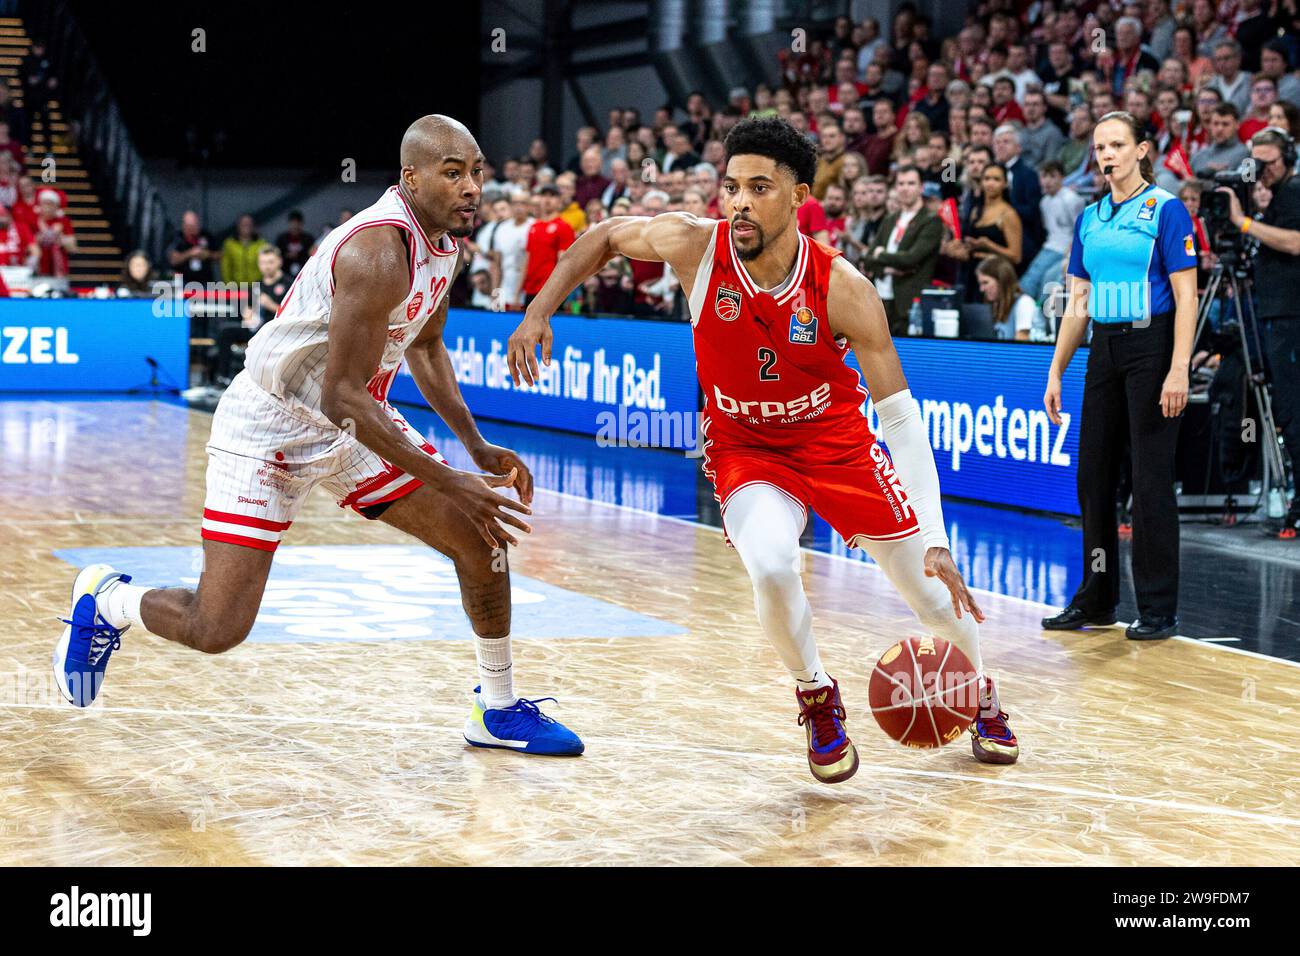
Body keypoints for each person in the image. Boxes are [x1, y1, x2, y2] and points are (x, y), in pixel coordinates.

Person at [52, 115, 582, 757]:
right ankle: (107, 599)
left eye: (476, 171)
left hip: (356, 422)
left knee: (480, 541)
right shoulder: (377, 250)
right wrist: (452, 480)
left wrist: (475, 446)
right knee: (216, 628)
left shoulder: (443, 245)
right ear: (410, 178)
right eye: (453, 173)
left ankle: (496, 709)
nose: (472, 186)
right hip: (273, 426)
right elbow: (342, 395)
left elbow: (430, 346)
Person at [507, 117, 1019, 782]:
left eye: (759, 188)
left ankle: (976, 690)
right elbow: (604, 237)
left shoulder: (843, 287)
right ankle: (816, 693)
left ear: (800, 196)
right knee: (774, 567)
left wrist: (936, 534)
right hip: (747, 448)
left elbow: (898, 414)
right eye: (730, 187)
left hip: (837, 446)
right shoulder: (695, 247)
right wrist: (539, 309)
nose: (739, 202)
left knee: (933, 594)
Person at [1042, 111, 1199, 641]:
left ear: (1142, 150)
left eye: (1117, 145)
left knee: (1151, 480)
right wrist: (1057, 368)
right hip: (1104, 347)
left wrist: (1179, 367)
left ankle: (1157, 608)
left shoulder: (1166, 210)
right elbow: (1077, 301)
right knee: (1094, 479)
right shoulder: (1090, 217)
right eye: (1100, 146)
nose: (1106, 154)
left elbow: (1186, 296)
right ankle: (1098, 598)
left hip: (1152, 345)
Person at [1216, 128, 1300, 537]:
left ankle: (1296, 502)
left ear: (1287, 158)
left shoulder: (1295, 190)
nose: (1260, 171)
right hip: (1272, 314)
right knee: (1286, 410)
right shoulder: (1276, 195)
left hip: (1290, 317)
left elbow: (1297, 242)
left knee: (1293, 411)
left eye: (1268, 163)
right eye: (1256, 162)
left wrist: (1244, 222)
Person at [857, 164, 943, 335]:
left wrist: (880, 254)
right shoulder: (890, 219)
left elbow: (911, 258)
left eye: (911, 183)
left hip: (908, 303)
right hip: (880, 299)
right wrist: (887, 266)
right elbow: (867, 258)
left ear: (921, 187)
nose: (905, 189)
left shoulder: (931, 221)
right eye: (901, 184)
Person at [520, 183, 576, 307]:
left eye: (552, 196)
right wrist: (517, 292)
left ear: (559, 200)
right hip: (530, 288)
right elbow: (527, 260)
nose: (547, 199)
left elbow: (564, 262)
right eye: (544, 195)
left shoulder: (564, 227)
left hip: (549, 291)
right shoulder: (534, 226)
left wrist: (558, 291)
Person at [976, 255, 1042, 341]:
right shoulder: (995, 305)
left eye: (986, 282)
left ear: (1002, 280)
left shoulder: (1024, 303)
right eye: (980, 284)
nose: (982, 289)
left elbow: (1021, 346)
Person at [275, 210, 314, 277]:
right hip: (286, 275)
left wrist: (299, 255)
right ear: (289, 224)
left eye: (298, 224)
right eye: (293, 223)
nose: (295, 226)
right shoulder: (281, 239)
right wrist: (287, 256)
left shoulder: (308, 239)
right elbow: (276, 256)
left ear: (301, 224)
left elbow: (313, 256)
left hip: (305, 274)